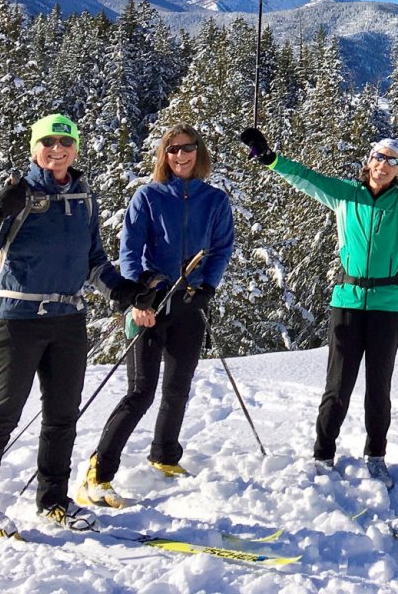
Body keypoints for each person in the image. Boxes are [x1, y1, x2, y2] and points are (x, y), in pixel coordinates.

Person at [239, 123, 398, 488]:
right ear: (367, 163)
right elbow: (304, 178)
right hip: (348, 299)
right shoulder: (344, 195)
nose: (383, 165)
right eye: (378, 158)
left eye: (392, 161)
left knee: (378, 386)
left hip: (388, 303)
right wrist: (269, 157)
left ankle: (376, 455)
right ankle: (323, 454)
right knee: (337, 385)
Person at [0, 113, 163, 539]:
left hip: (68, 321)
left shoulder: (84, 198)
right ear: (35, 148)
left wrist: (126, 294)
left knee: (62, 417)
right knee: (2, 416)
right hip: (16, 320)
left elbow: (94, 263)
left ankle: (53, 500)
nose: (57, 149)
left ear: (75, 149)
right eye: (48, 142)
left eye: (65, 142)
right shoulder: (19, 194)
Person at [77, 125, 235, 509]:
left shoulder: (214, 200)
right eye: (173, 150)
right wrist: (139, 295)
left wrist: (208, 286)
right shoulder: (147, 196)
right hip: (151, 302)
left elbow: (221, 247)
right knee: (141, 391)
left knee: (178, 386)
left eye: (188, 149)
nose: (181, 156)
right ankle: (98, 472)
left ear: (200, 152)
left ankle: (165, 454)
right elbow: (130, 249)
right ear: (164, 156)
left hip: (189, 302)